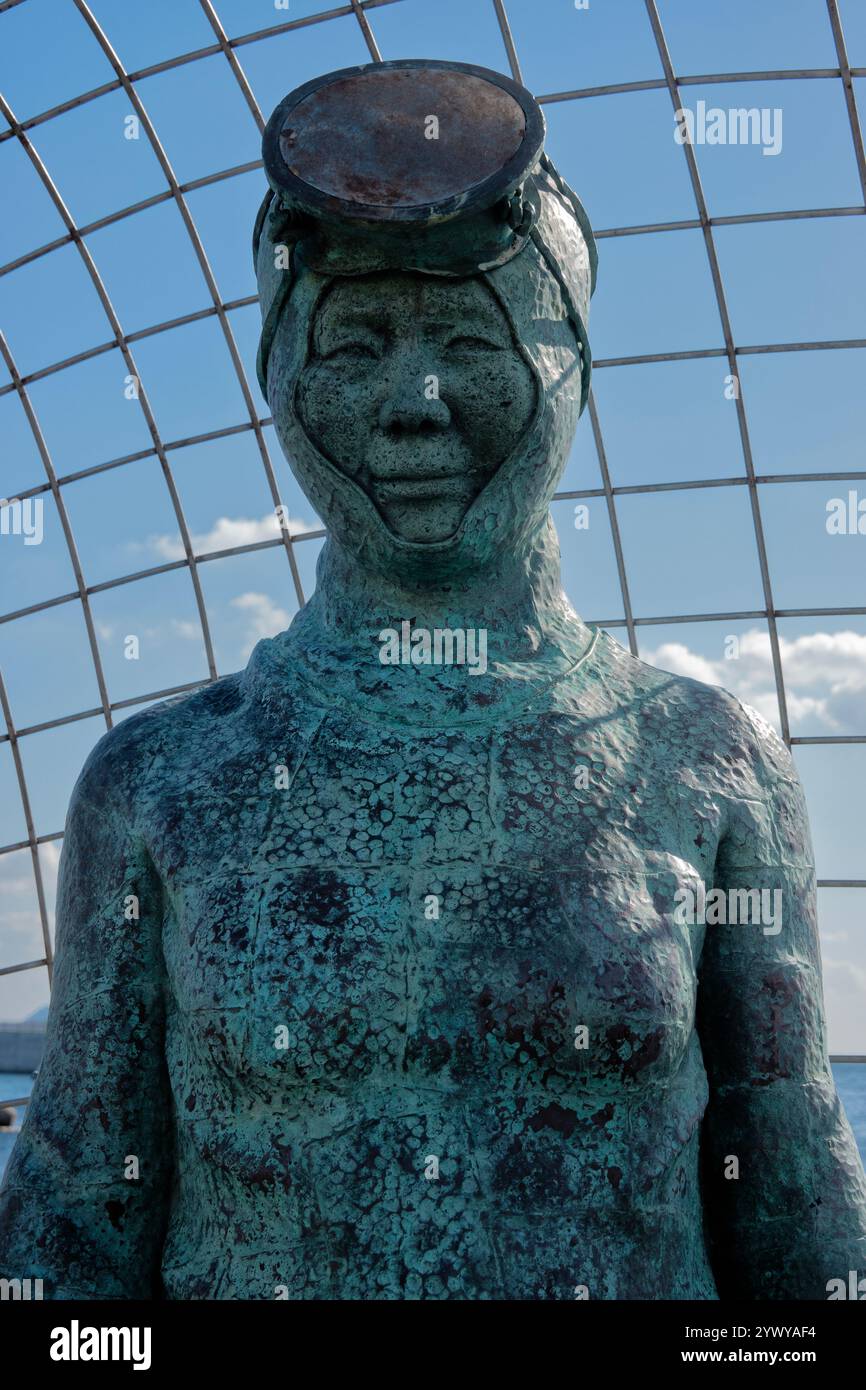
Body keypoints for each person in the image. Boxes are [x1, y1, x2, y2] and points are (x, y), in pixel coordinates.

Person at [1, 60, 863, 1300]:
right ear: (276, 376)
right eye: (353, 345)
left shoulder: (705, 769)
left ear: (572, 367)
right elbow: (76, 1221)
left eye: (471, 337)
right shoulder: (162, 788)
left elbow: (793, 1210)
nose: (413, 405)